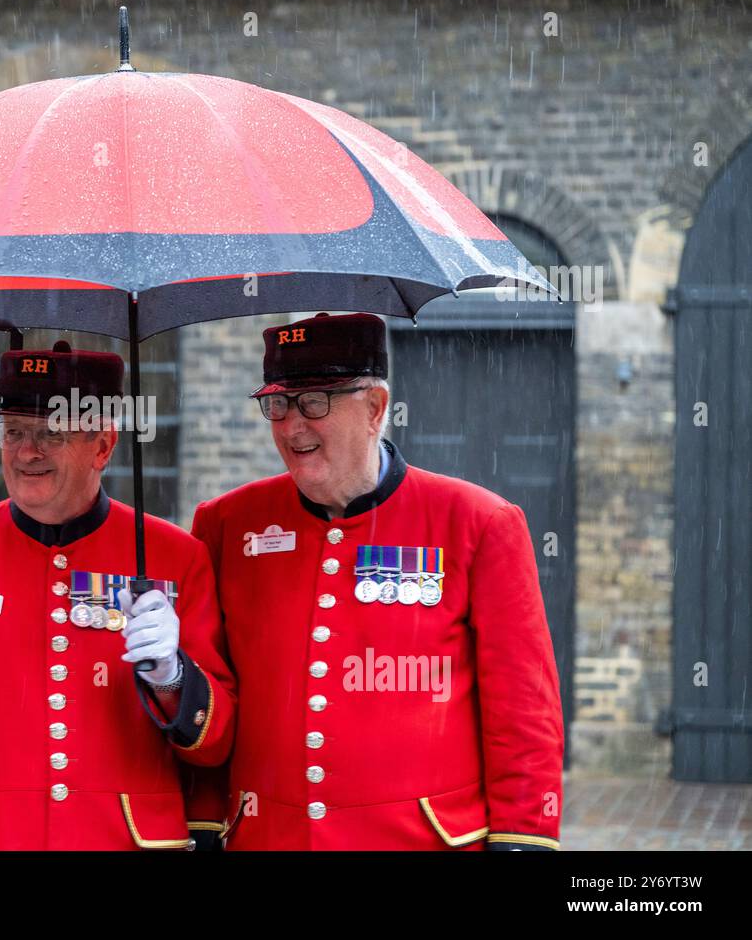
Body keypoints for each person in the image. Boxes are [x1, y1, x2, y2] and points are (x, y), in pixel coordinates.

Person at [189, 312, 563, 850]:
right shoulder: (227, 524)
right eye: (277, 405)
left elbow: (524, 712)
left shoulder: (477, 522)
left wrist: (522, 840)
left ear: (374, 408)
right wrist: (202, 827)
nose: (293, 427)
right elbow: (216, 693)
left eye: (315, 402)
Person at [0, 340, 235, 850]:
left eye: (51, 433)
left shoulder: (176, 557)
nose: (27, 452)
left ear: (104, 445)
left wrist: (174, 679)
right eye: (14, 431)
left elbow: (218, 742)